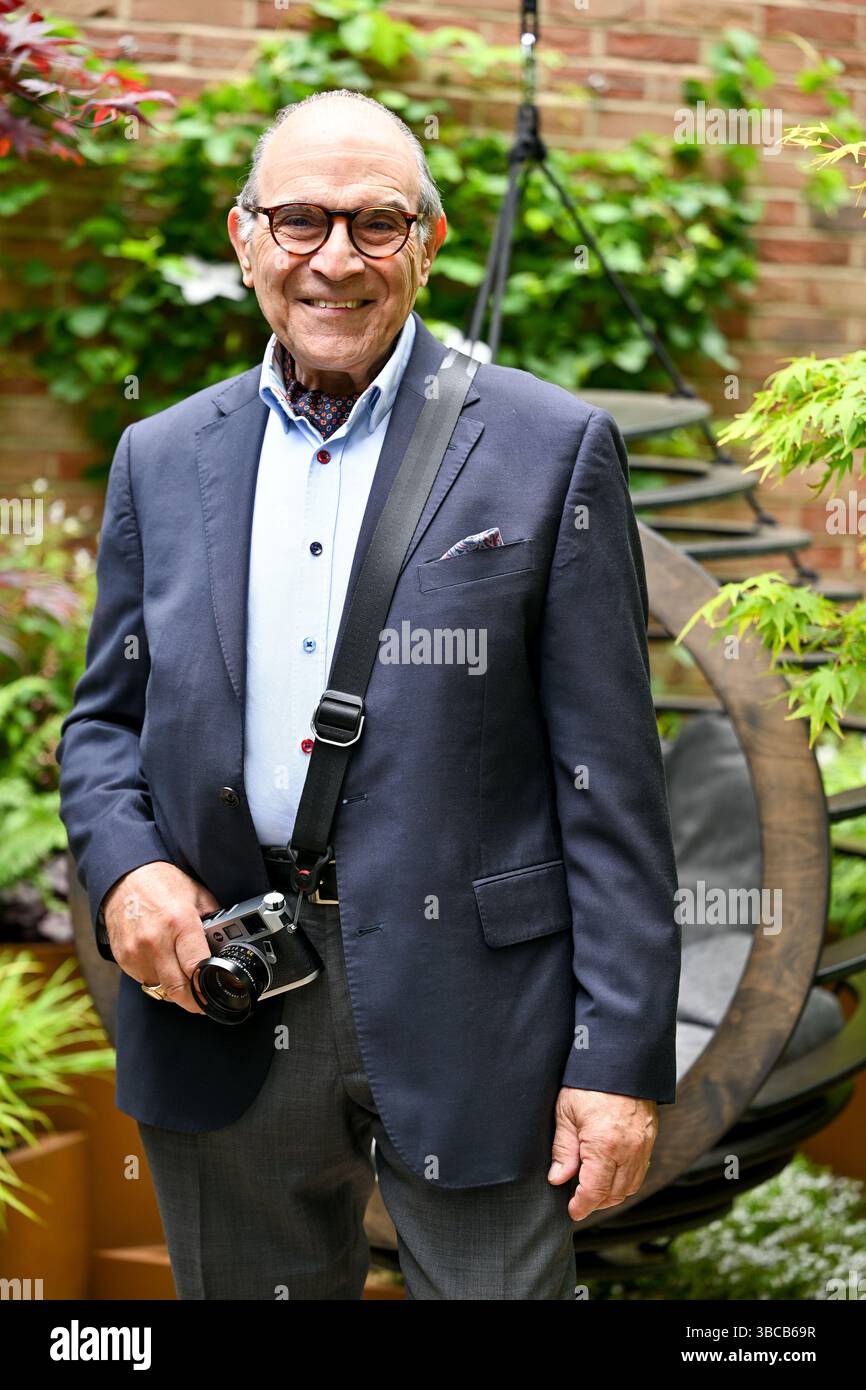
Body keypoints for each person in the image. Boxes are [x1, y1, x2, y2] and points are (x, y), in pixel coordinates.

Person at [56, 88, 681, 1301]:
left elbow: (610, 784)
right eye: (298, 221)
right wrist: (127, 867)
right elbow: (104, 723)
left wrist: (617, 1063)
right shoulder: (162, 454)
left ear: (428, 245)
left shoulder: (551, 449)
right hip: (223, 990)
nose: (333, 258)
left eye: (376, 224)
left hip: (482, 1010)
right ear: (245, 240)